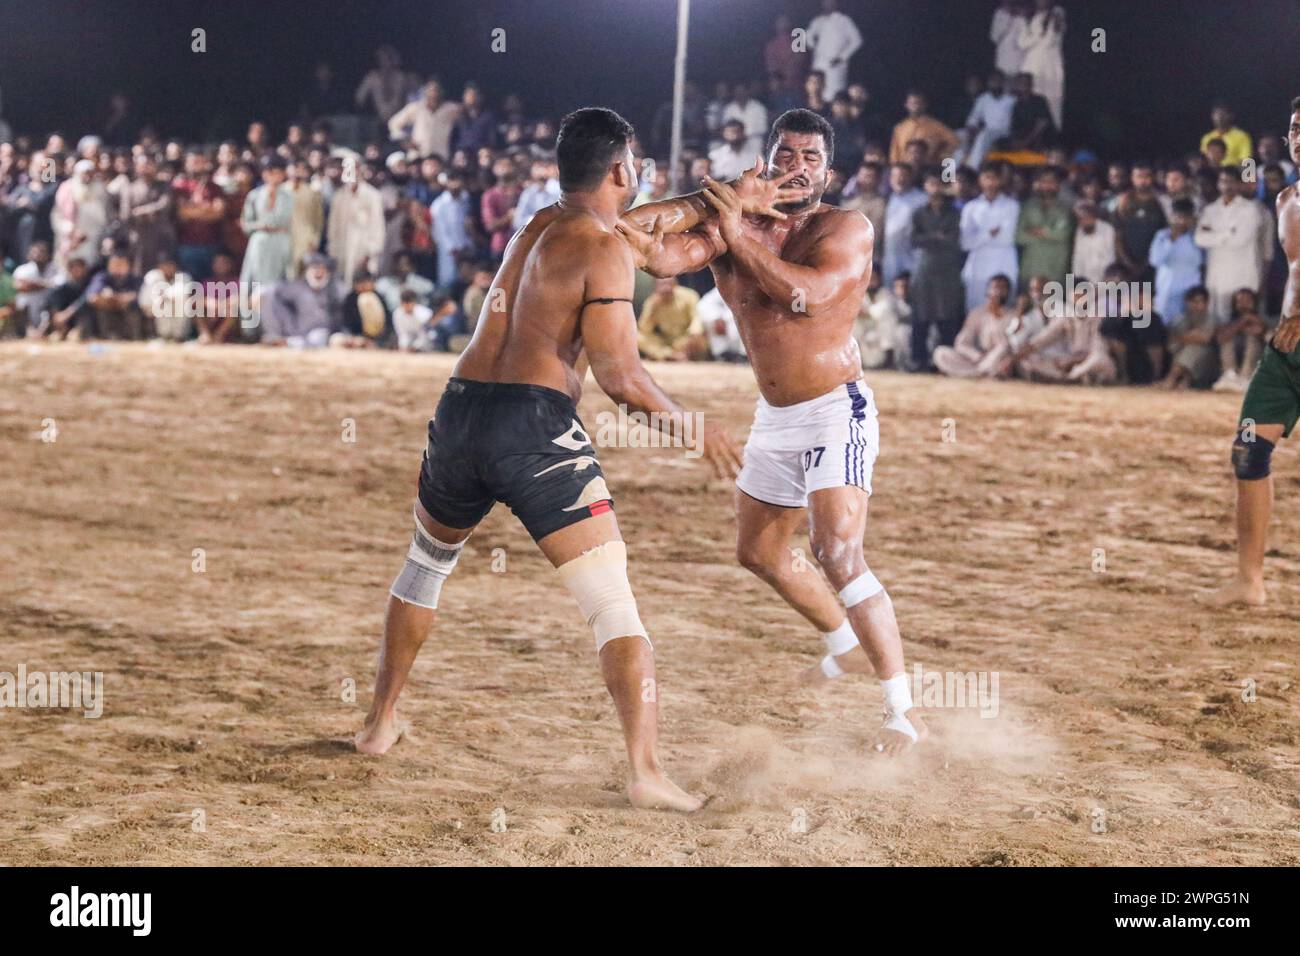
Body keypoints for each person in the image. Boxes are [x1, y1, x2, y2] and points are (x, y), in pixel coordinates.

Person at [353, 107, 753, 811]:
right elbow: (622, 379)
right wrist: (697, 429)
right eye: (633, 165)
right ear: (621, 171)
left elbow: (636, 223)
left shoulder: (533, 223)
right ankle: (647, 772)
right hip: (531, 428)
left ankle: (380, 723)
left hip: (461, 409)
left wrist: (713, 200)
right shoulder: (602, 248)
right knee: (611, 600)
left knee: (424, 564)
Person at [618, 108, 929, 754]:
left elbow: (806, 297)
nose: (798, 169)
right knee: (758, 552)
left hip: (836, 409)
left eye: (811, 159)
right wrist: (711, 202)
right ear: (763, 161)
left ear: (829, 171)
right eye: (785, 156)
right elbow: (639, 245)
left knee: (837, 553)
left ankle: (902, 715)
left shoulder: (845, 227)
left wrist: (735, 228)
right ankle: (843, 647)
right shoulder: (736, 223)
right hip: (776, 414)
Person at [1212, 97, 1300, 605]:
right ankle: (1250, 583)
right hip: (1285, 353)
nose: (1299, 135)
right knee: (1248, 451)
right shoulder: (1286, 198)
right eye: (1294, 127)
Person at [909, 166, 965, 368]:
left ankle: (944, 362)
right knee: (921, 317)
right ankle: (918, 360)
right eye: (931, 183)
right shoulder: (918, 213)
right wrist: (936, 237)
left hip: (947, 268)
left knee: (946, 317)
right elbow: (914, 240)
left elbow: (954, 239)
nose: (934, 188)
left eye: (938, 184)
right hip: (924, 269)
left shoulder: (954, 213)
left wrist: (931, 238)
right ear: (925, 186)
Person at [960, 161, 1020, 311]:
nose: (990, 182)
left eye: (994, 178)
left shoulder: (1011, 205)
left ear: (1001, 180)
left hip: (1003, 260)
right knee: (975, 307)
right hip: (978, 263)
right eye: (987, 177)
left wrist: (980, 236)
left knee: (1003, 306)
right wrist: (989, 233)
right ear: (980, 180)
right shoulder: (971, 207)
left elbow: (1007, 237)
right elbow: (965, 242)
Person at [933, 274, 1013, 378]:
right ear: (987, 291)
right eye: (995, 287)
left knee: (1003, 348)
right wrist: (976, 355)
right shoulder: (977, 313)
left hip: (997, 359)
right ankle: (979, 374)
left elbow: (1008, 346)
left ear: (1008, 292)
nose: (998, 292)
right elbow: (961, 343)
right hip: (977, 360)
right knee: (940, 353)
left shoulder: (1012, 315)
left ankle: (976, 374)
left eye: (1002, 288)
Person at [1016, 0, 1066, 129]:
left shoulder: (1057, 12)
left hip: (1050, 64)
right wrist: (1038, 36)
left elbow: (1050, 39)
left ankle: (1054, 136)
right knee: (1032, 100)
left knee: (1052, 100)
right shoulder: (1030, 16)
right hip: (1032, 64)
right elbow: (1021, 42)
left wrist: (1033, 38)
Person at [1159, 285, 1218, 389]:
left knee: (1195, 348)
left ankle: (1172, 378)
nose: (1196, 305)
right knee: (1186, 347)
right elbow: (1172, 341)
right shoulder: (1179, 319)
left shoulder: (1213, 319)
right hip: (1180, 355)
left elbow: (1205, 339)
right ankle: (1185, 379)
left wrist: (1187, 338)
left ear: (1206, 303)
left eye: (1199, 302)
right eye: (1193, 302)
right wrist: (1191, 337)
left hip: (1207, 362)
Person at [637, 276, 705, 361]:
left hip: (685, 338)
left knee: (698, 336)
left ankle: (663, 356)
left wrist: (695, 332)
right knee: (637, 337)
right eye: (662, 285)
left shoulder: (689, 295)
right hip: (665, 342)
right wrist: (652, 311)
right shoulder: (651, 302)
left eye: (669, 284)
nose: (666, 288)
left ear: (675, 284)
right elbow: (644, 330)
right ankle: (671, 356)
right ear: (655, 288)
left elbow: (696, 317)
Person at [805, 0, 862, 100]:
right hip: (819, 64)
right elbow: (808, 36)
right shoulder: (818, 20)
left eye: (831, 2)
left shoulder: (844, 20)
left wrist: (842, 57)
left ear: (836, 3)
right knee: (817, 96)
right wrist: (814, 48)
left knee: (835, 96)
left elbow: (857, 40)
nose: (827, 4)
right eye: (825, 2)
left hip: (835, 66)